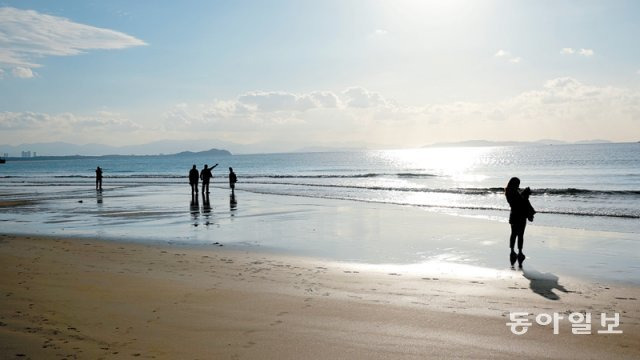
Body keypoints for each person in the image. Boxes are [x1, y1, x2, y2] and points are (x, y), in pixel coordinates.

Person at [505, 177, 536, 267]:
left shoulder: (508, 191)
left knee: (513, 234)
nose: (518, 185)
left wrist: (523, 194)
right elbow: (521, 202)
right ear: (514, 183)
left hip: (513, 214)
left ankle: (512, 251)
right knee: (520, 235)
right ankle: (520, 252)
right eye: (518, 184)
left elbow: (517, 202)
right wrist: (525, 194)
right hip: (520, 215)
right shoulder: (514, 192)